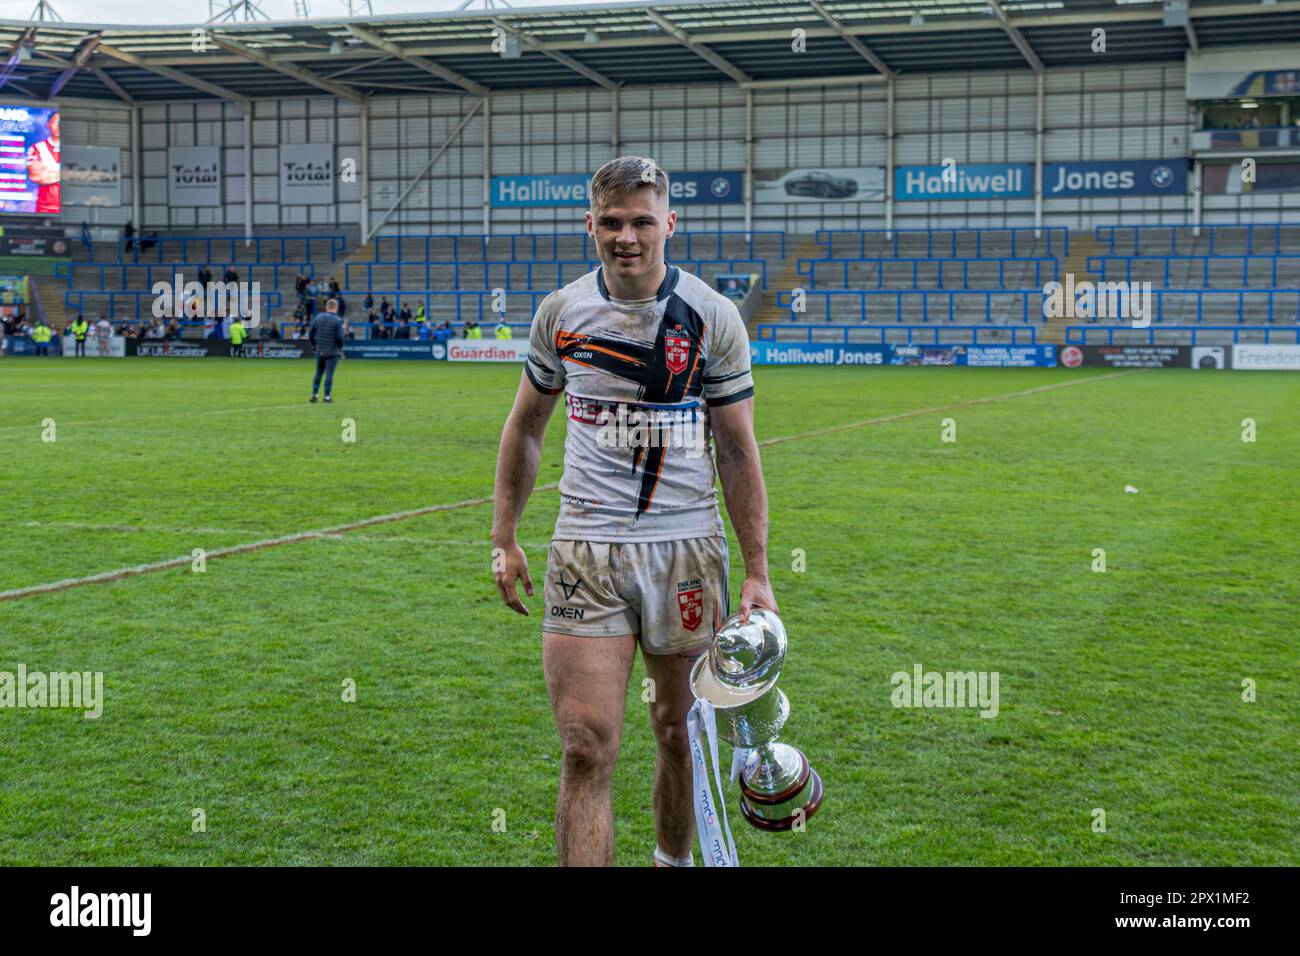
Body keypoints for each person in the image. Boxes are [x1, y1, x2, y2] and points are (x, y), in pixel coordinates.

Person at [491, 156, 775, 868]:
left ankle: (672, 862)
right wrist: (505, 535)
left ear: (669, 225)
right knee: (586, 748)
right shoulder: (561, 313)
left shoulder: (711, 317)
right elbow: (526, 426)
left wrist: (758, 572)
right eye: (612, 222)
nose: (627, 236)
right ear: (590, 225)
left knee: (679, 734)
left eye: (642, 221)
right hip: (583, 550)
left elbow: (737, 451)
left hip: (685, 553)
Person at [308, 298, 346, 403]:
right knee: (329, 374)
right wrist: (339, 349)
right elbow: (340, 338)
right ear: (336, 308)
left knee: (318, 372)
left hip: (320, 350)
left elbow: (311, 335)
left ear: (327, 307)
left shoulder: (318, 318)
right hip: (332, 351)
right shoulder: (338, 320)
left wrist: (314, 346)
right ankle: (327, 397)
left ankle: (314, 395)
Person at [25, 112, 60, 215]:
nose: (58, 126)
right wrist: (64, 174)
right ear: (48, 124)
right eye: (55, 122)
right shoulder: (38, 148)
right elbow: (35, 176)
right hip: (45, 208)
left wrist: (48, 172)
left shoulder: (72, 149)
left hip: (68, 206)